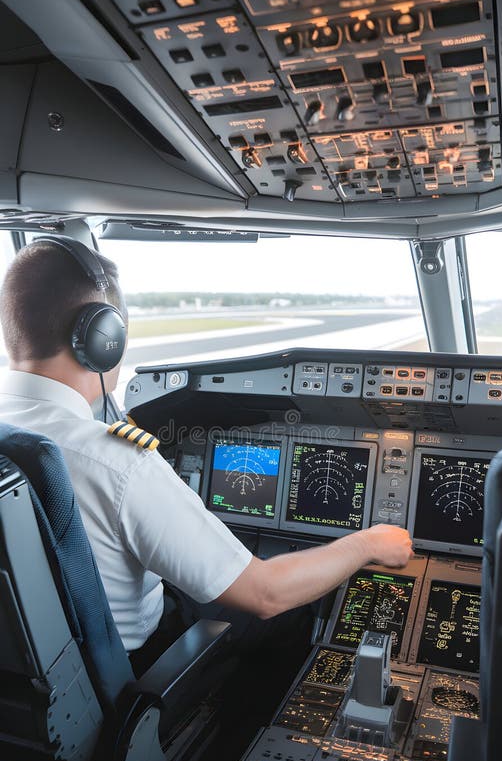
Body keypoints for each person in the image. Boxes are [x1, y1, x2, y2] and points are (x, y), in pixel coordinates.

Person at [0, 239, 413, 671]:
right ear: (105, 338)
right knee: (300, 614)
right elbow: (266, 593)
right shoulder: (118, 464)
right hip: (125, 680)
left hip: (26, 685)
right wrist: (368, 543)